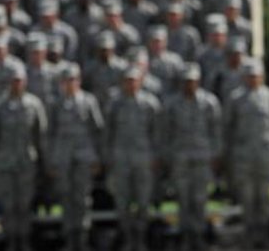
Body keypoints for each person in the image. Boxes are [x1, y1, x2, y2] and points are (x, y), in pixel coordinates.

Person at [223, 60, 269, 249]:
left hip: (265, 156)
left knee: (264, 199)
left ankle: (264, 235)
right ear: (245, 77)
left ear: (262, 76)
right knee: (247, 198)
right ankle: (249, 237)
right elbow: (227, 128)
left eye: (256, 76)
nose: (253, 79)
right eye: (250, 76)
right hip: (243, 157)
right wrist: (225, 155)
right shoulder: (235, 98)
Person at [163, 64, 221, 251]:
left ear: (198, 81)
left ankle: (199, 236)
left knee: (200, 199)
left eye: (193, 81)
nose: (190, 85)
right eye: (187, 81)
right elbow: (165, 132)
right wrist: (168, 156)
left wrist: (215, 155)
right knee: (183, 199)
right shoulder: (172, 104)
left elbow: (216, 131)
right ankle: (185, 238)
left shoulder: (209, 102)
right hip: (180, 159)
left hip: (202, 158)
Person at [48, 64, 105, 251]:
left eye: (73, 80)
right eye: (66, 81)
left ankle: (82, 239)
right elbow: (51, 133)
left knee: (82, 199)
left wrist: (97, 158)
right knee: (66, 198)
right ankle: (68, 238)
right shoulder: (56, 104)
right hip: (63, 158)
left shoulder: (89, 101)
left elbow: (97, 130)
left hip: (84, 157)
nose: (69, 84)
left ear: (78, 81)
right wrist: (53, 161)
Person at [104, 67, 162, 251]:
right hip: (121, 160)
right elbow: (107, 133)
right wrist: (108, 158)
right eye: (128, 80)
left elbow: (158, 133)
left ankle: (141, 239)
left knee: (143, 202)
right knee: (123, 203)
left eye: (134, 80)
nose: (131, 84)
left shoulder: (150, 103)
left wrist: (156, 156)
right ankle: (128, 239)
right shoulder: (114, 104)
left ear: (140, 81)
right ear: (123, 82)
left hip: (143, 159)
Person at [0, 64, 48, 251]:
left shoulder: (34, 104)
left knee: (24, 205)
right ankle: (10, 241)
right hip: (5, 162)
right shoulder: (0, 106)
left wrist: (43, 163)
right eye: (13, 81)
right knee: (8, 205)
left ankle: (24, 241)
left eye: (19, 81)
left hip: (27, 162)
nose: (16, 84)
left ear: (25, 82)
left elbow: (41, 135)